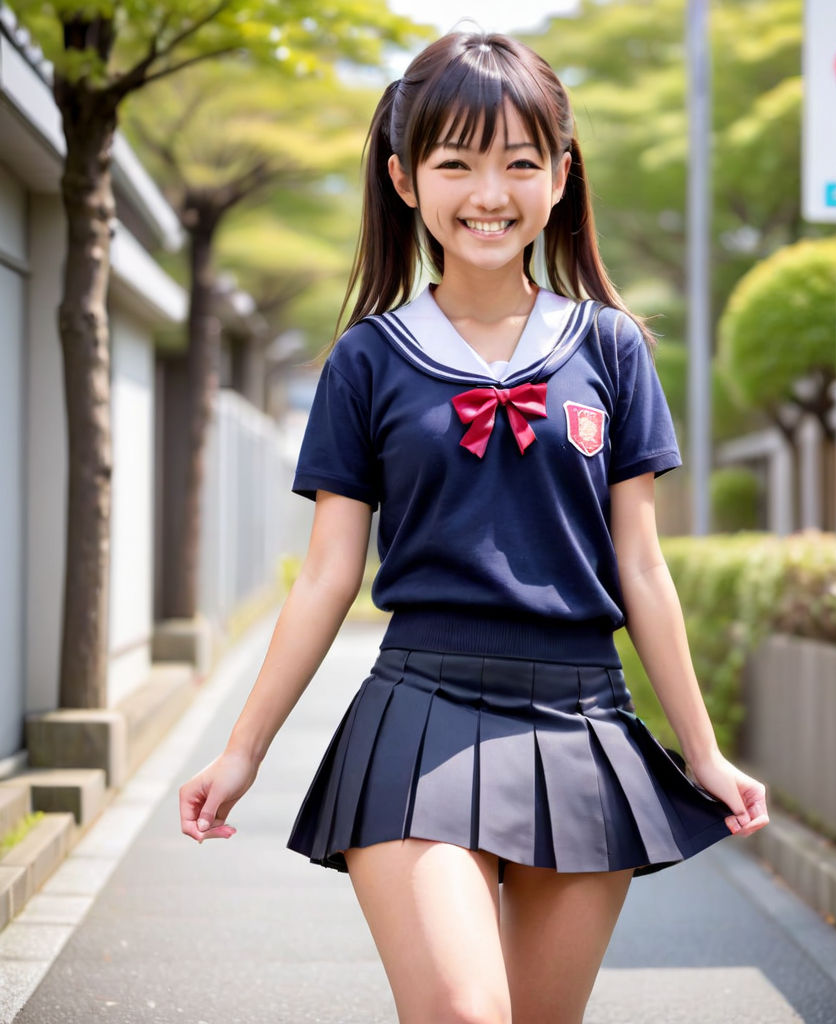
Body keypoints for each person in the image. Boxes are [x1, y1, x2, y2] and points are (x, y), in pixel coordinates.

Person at [179, 29, 769, 1024]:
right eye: (456, 163)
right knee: (463, 1010)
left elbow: (641, 566)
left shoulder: (612, 349)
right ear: (405, 179)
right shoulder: (366, 360)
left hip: (582, 721)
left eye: (519, 163)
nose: (488, 193)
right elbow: (327, 574)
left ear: (561, 177)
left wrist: (702, 754)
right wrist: (243, 751)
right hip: (419, 708)